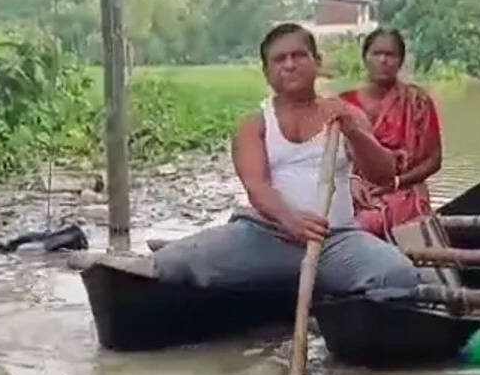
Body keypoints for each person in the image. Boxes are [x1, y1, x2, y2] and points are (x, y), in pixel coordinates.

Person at [153, 23, 429, 295]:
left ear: (317, 62)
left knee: (398, 276)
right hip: (266, 236)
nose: (289, 65)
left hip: (334, 241)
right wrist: (291, 220)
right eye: (279, 59)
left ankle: (333, 309)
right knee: (172, 262)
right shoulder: (255, 124)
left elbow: (383, 175)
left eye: (298, 56)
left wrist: (354, 132)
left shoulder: (346, 115)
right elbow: (257, 187)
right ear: (266, 72)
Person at [338, 28, 442, 241]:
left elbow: (434, 160)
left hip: (404, 192)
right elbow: (329, 159)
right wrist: (351, 180)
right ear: (365, 58)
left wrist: (395, 182)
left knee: (368, 225)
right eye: (377, 54)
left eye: (391, 55)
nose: (383, 60)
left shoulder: (417, 102)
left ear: (400, 61)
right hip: (354, 192)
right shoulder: (343, 104)